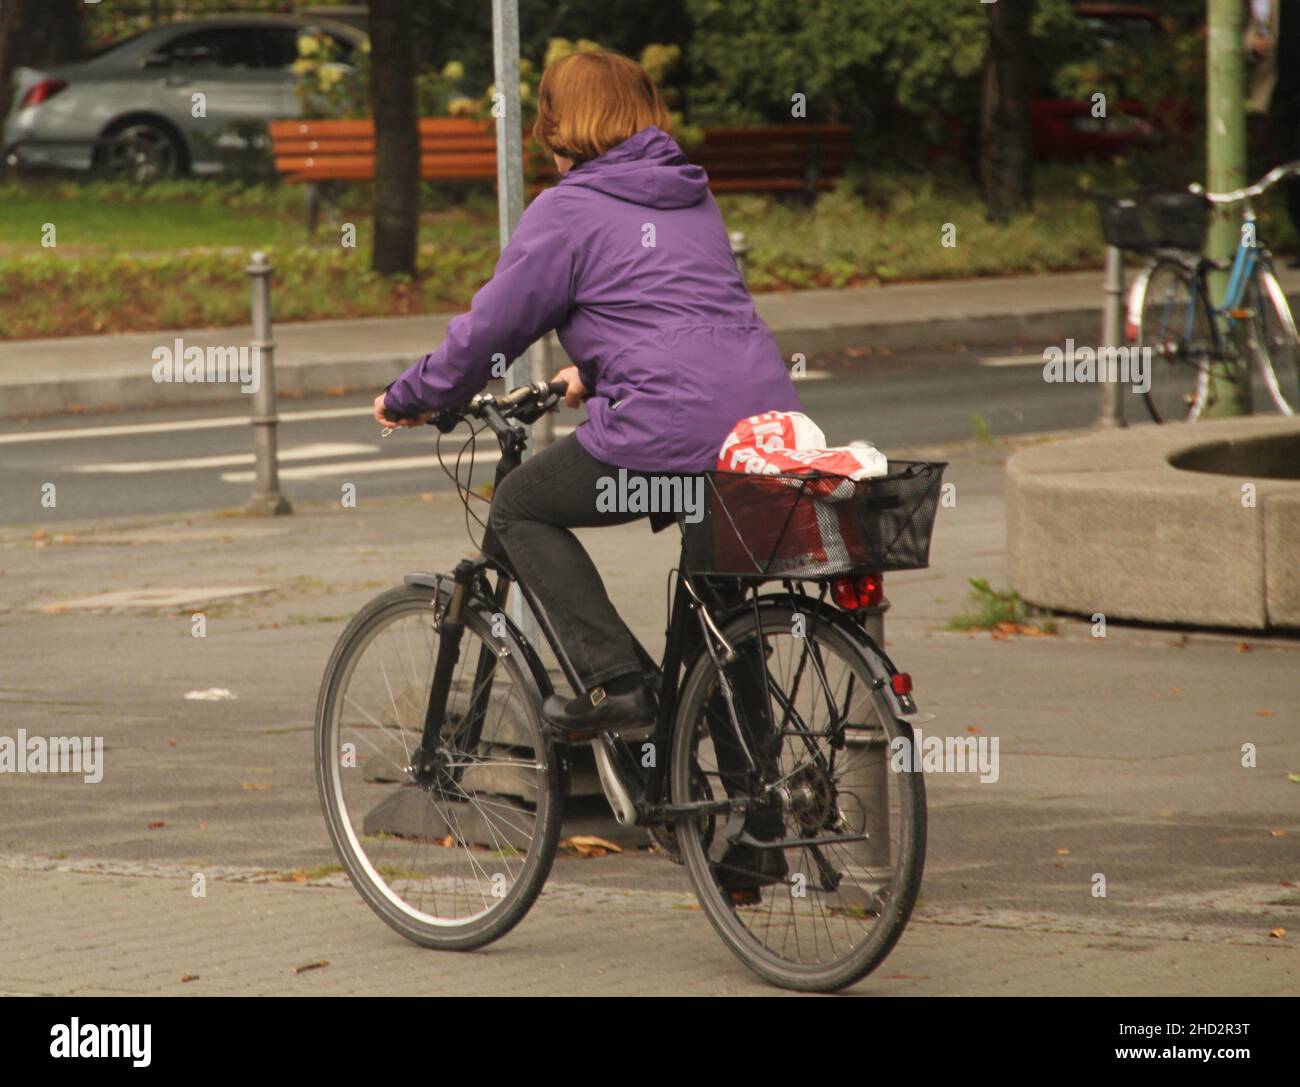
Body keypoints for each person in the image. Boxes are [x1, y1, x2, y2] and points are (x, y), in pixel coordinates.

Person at [375, 50, 802, 736]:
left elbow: (492, 331)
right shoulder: (690, 192)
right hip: (762, 428)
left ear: (555, 120)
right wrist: (596, 371)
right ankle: (754, 828)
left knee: (516, 508)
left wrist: (412, 393)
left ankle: (614, 685)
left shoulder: (567, 210)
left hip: (670, 431)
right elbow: (679, 319)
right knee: (721, 626)